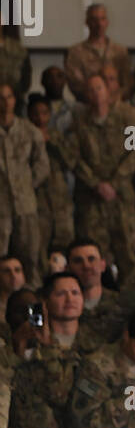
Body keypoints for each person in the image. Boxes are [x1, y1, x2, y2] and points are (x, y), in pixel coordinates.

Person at [8, 271, 100, 428]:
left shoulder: (96, 341)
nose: (69, 299)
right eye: (60, 294)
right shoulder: (29, 343)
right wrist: (22, 347)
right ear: (45, 302)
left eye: (75, 293)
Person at [71, 72, 135, 279]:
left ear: (108, 90)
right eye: (90, 90)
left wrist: (115, 183)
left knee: (127, 251)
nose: (96, 94)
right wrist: (96, 183)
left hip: (121, 195)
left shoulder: (127, 116)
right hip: (91, 197)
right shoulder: (79, 121)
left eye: (99, 88)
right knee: (94, 253)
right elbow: (74, 157)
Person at [0, 82, 49, 285]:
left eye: (8, 97)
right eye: (0, 98)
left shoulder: (29, 131)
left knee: (30, 261)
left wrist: (27, 185)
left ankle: (33, 314)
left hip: (25, 205)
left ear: (15, 100)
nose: (5, 103)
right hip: (1, 206)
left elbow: (42, 165)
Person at [27, 94, 76, 266]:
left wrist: (53, 142)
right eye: (35, 114)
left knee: (65, 242)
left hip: (60, 198)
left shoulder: (57, 135)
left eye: (44, 113)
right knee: (38, 247)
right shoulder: (25, 136)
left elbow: (71, 161)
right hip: (37, 200)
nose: (40, 118)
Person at [64, 3, 132, 102]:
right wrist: (97, 97)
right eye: (94, 20)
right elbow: (76, 85)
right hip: (87, 106)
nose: (99, 24)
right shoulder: (75, 52)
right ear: (87, 22)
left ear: (107, 22)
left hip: (117, 105)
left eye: (102, 19)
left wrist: (112, 99)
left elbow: (127, 83)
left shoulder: (120, 51)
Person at [67, 237, 126, 345]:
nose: (86, 266)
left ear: (103, 265)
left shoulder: (120, 303)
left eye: (91, 259)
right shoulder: (63, 305)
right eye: (78, 261)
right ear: (68, 268)